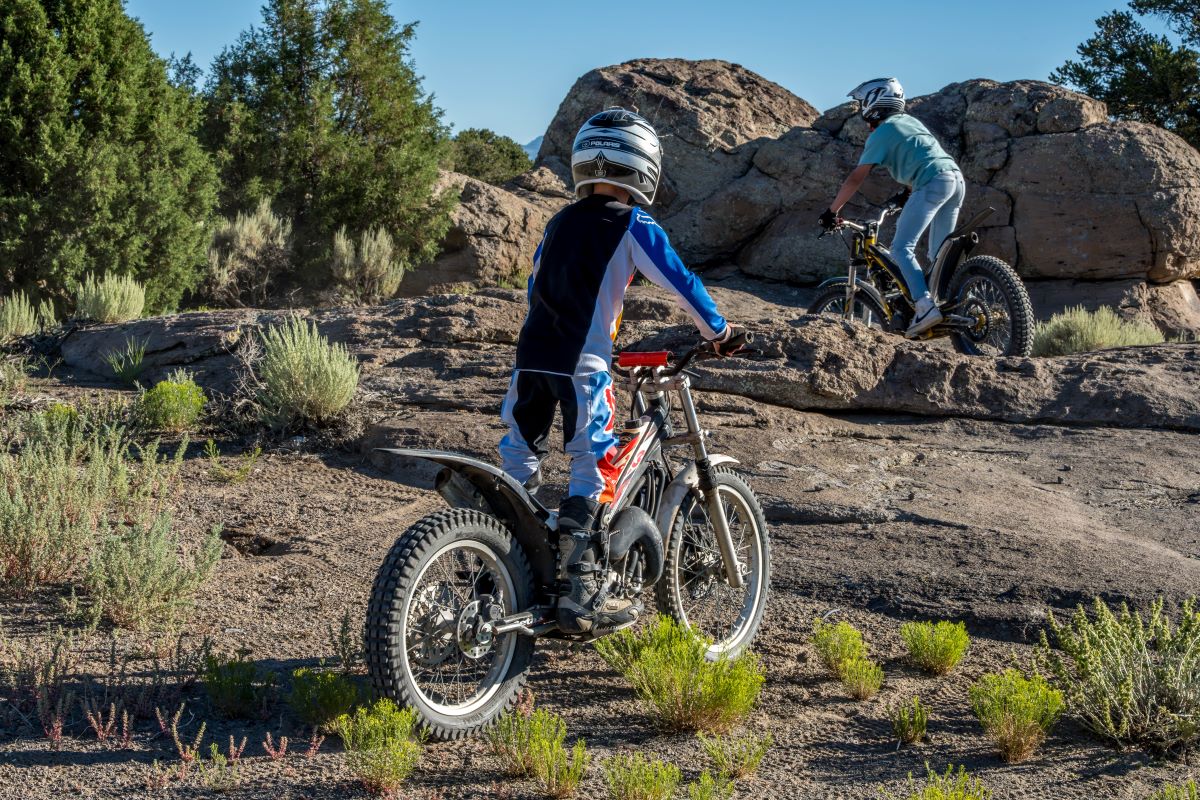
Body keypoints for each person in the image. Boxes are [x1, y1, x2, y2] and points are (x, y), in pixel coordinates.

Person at [499, 107, 743, 633]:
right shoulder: (634, 223)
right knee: (594, 464)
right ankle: (580, 592)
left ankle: (499, 565)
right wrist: (719, 332)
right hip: (583, 367)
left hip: (530, 361)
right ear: (643, 167)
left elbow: (534, 287)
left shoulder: (558, 222)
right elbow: (682, 283)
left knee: (519, 458)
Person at [819, 77, 965, 337]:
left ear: (873, 103)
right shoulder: (911, 122)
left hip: (932, 181)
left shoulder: (882, 132)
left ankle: (924, 307)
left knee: (901, 247)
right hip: (955, 180)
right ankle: (954, 304)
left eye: (863, 103)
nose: (862, 109)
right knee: (939, 254)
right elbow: (922, 155)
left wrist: (832, 212)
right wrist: (907, 192)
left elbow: (855, 178)